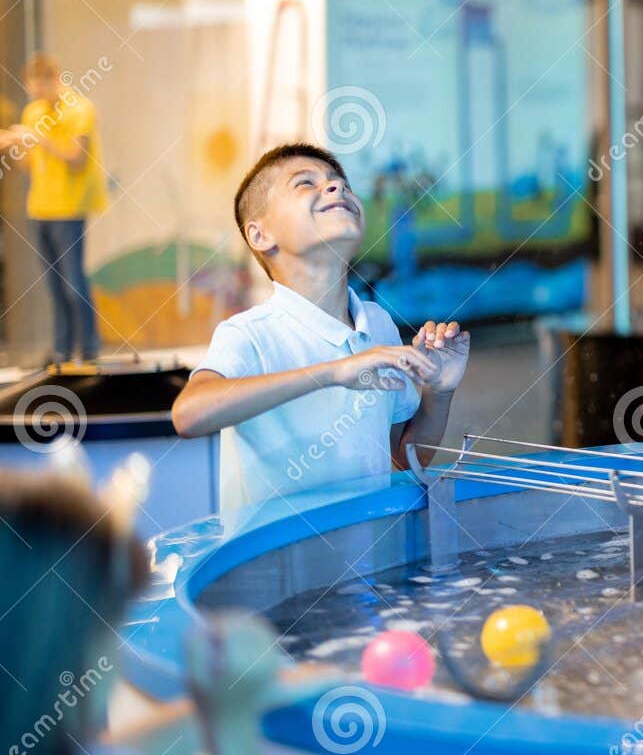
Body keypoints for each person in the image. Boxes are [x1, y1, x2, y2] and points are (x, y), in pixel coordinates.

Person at [171, 143, 471, 511]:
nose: (336, 188)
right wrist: (332, 372)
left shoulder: (377, 324)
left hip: (365, 555)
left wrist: (438, 393)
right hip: (277, 565)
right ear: (260, 235)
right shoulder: (250, 333)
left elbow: (406, 458)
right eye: (305, 183)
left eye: (340, 183)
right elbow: (189, 415)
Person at [0, 53, 107, 364]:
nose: (34, 95)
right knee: (53, 284)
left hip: (69, 209)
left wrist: (40, 139)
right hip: (41, 208)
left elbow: (76, 160)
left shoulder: (80, 109)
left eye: (37, 88)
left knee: (74, 282)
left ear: (53, 80)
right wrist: (13, 144)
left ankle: (89, 348)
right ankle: (61, 349)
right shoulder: (34, 113)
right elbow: (28, 166)